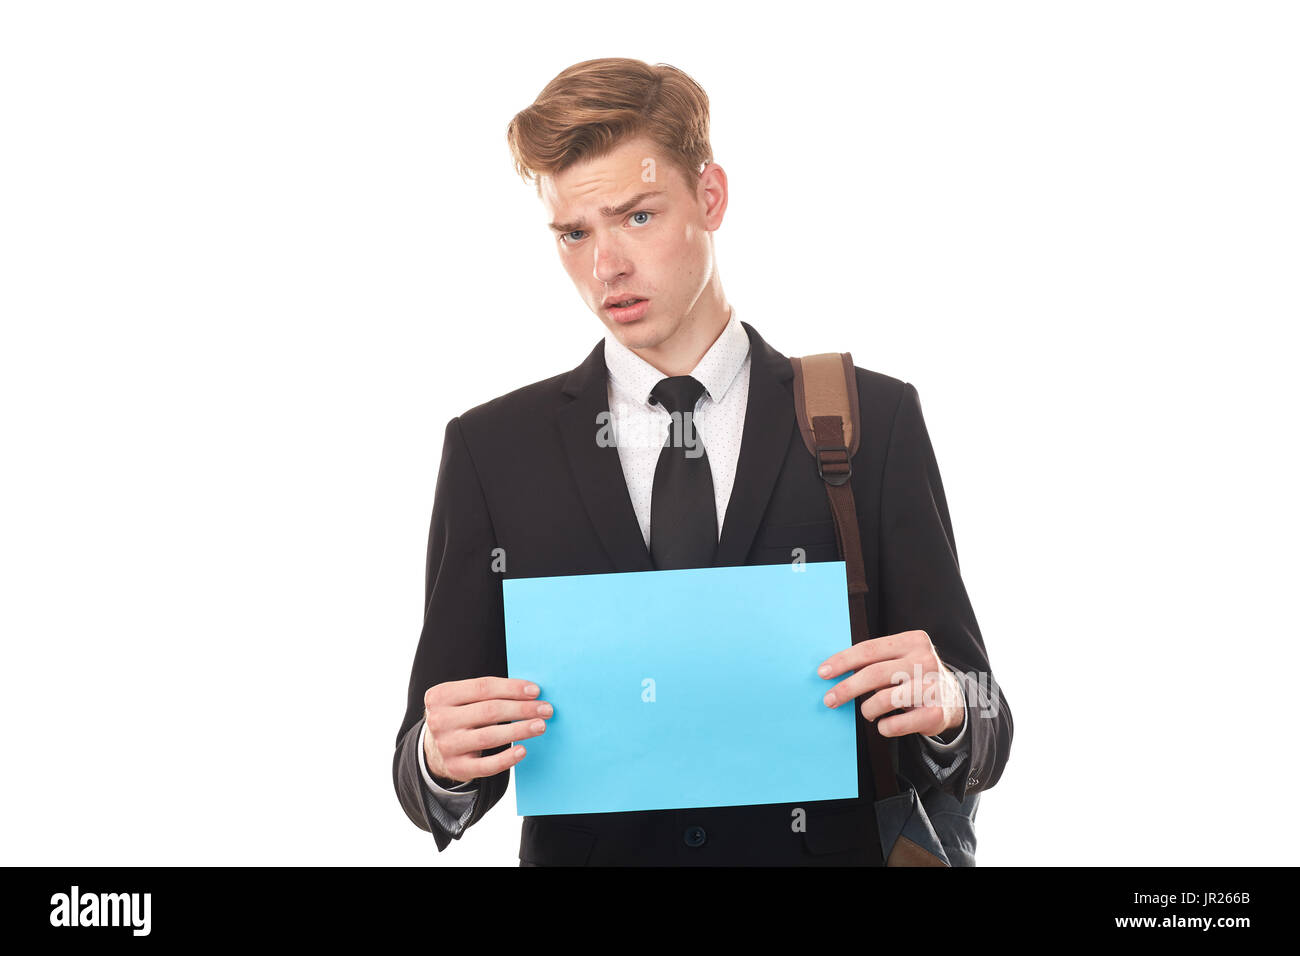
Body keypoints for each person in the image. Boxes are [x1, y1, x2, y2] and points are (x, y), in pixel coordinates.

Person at [392, 57, 1012, 866]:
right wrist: (439, 761)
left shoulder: (872, 420)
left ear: (710, 197)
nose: (604, 265)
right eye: (574, 232)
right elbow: (424, 767)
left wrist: (952, 705)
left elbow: (987, 727)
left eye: (638, 217)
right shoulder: (492, 449)